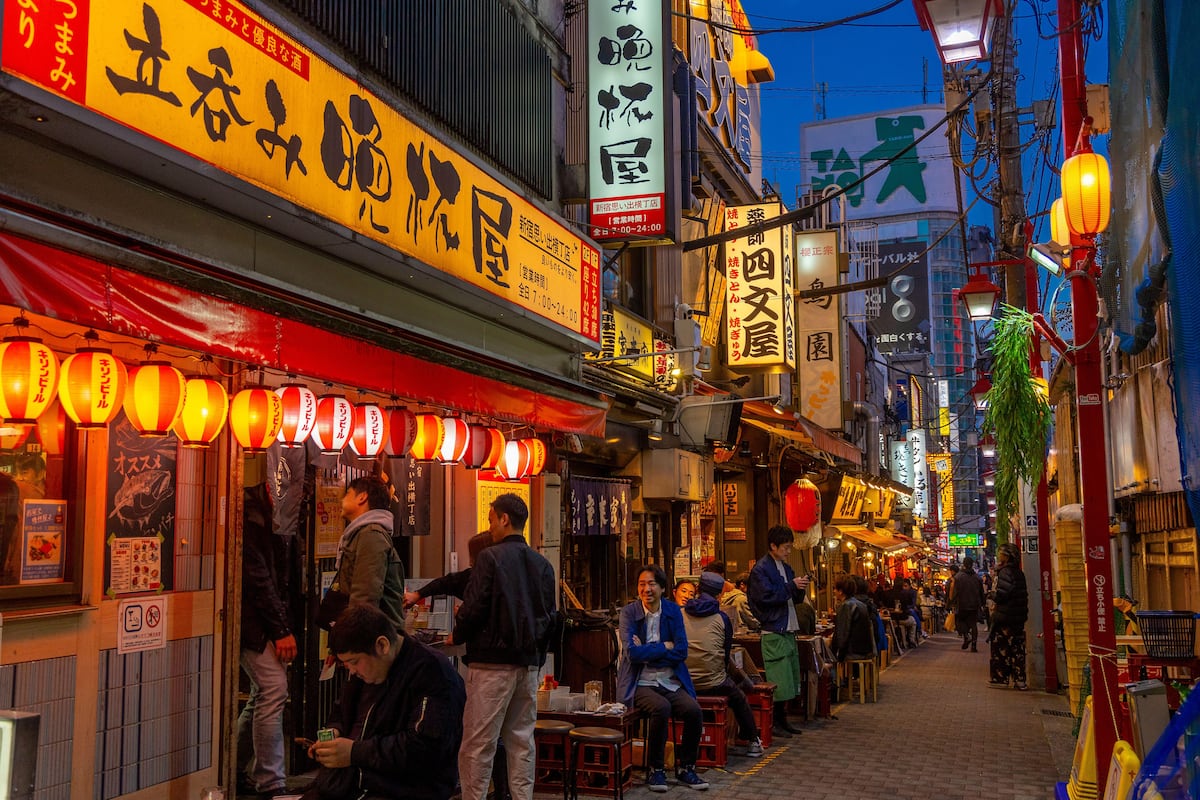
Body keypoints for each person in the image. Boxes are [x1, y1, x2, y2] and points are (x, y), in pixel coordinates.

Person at [453, 494, 557, 800]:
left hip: (490, 665)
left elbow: (474, 608)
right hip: (528, 666)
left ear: (504, 519)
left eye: (490, 520)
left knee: (478, 745)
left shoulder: (489, 557)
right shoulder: (543, 564)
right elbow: (550, 616)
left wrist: (456, 635)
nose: (490, 528)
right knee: (522, 741)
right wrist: (536, 658)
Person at [303, 604, 465, 800]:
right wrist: (335, 732)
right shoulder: (365, 672)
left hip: (401, 789)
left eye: (354, 662)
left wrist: (354, 752)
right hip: (348, 782)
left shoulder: (432, 672)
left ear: (382, 645)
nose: (352, 671)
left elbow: (424, 748)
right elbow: (341, 711)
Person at [617, 564, 708, 792]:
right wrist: (663, 648)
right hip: (639, 683)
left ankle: (687, 767)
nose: (646, 589)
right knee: (661, 708)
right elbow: (631, 653)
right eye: (642, 584)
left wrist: (649, 650)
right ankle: (655, 769)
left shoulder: (672, 611)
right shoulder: (629, 613)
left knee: (694, 710)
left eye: (651, 584)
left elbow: (681, 651)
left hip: (669, 680)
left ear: (663, 588)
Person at [237, 484, 298, 798]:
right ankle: (271, 781)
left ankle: (234, 765)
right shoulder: (251, 522)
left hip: (260, 624)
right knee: (273, 689)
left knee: (263, 694)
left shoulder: (270, 520)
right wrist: (279, 630)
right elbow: (258, 579)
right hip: (253, 626)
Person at [682, 571, 764, 758]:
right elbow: (725, 658)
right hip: (713, 683)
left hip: (684, 683)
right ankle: (752, 740)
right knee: (739, 697)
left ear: (697, 590)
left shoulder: (680, 614)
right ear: (719, 595)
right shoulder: (722, 619)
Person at [747, 526, 810, 738]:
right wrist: (792, 587)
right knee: (778, 679)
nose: (788, 551)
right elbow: (765, 598)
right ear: (773, 546)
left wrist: (800, 588)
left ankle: (783, 721)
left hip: (788, 628)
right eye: (785, 547)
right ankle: (775, 722)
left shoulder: (785, 567)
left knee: (789, 678)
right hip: (773, 630)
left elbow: (790, 595)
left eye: (790, 547)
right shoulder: (761, 570)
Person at [335, 476, 406, 629]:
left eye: (347, 494)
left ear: (362, 497)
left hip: (375, 641)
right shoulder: (364, 533)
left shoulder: (370, 535)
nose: (342, 500)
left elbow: (365, 596)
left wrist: (352, 642)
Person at [988, 543, 1030, 689]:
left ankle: (1001, 677)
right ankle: (1020, 680)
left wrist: (993, 594)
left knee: (1001, 647)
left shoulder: (1005, 572)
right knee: (1017, 649)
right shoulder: (1019, 573)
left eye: (1001, 554)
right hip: (1018, 617)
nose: (999, 556)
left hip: (1006, 616)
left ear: (1006, 556)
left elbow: (1003, 594)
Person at [831, 576, 874, 663]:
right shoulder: (861, 604)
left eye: (835, 589)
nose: (834, 591)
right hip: (866, 650)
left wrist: (836, 657)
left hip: (853, 652)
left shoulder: (846, 606)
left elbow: (843, 634)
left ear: (841, 591)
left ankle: (839, 676)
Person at [950, 557, 986, 652]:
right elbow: (981, 592)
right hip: (974, 604)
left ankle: (966, 635)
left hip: (961, 604)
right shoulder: (977, 577)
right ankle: (974, 645)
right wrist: (982, 603)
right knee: (973, 624)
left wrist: (952, 603)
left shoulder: (958, 577)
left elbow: (954, 592)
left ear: (964, 565)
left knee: (960, 621)